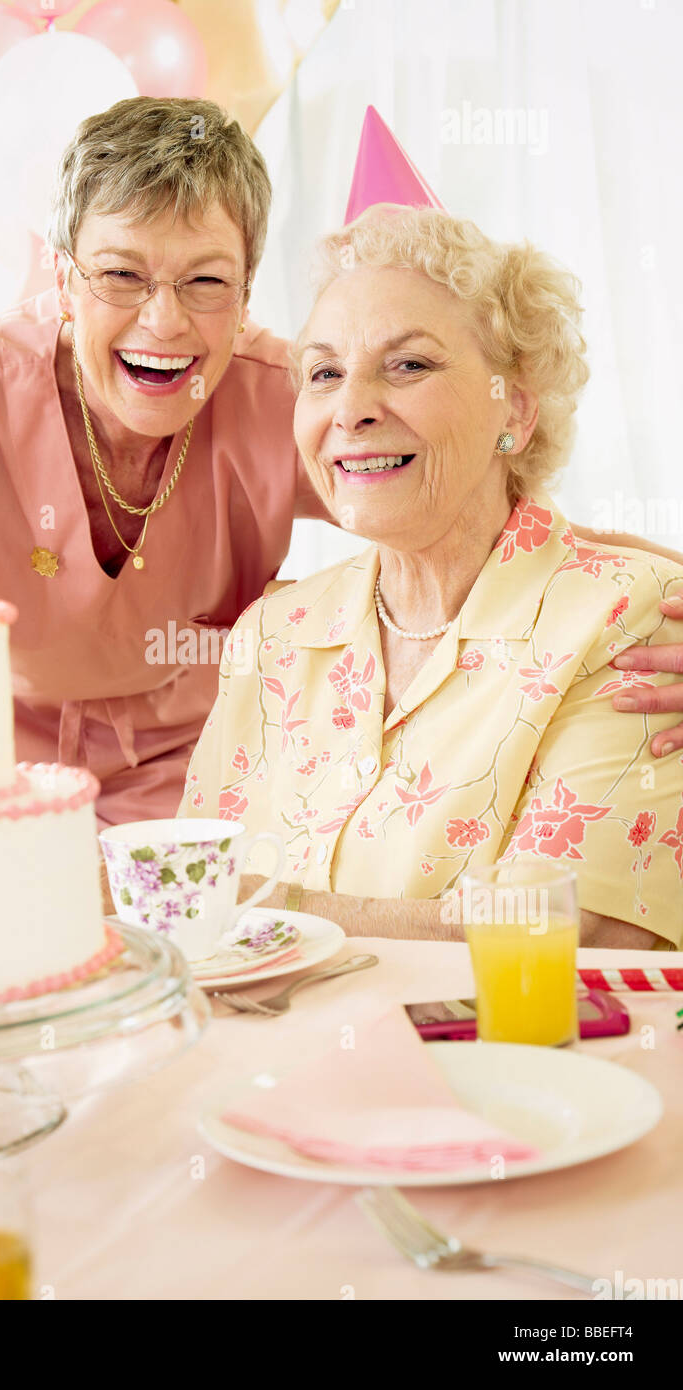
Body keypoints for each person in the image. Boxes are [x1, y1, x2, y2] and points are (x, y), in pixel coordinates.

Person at [0, 97, 683, 827]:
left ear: (249, 291)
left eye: (205, 282)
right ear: (63, 280)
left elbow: (469, 508)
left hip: (202, 781)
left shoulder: (296, 397)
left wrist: (637, 601)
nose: (164, 321)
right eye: (120, 276)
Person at [178, 205, 683, 949]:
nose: (350, 409)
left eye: (408, 364)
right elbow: (191, 924)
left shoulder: (627, 615)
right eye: (324, 373)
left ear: (514, 406)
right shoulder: (274, 634)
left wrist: (262, 907)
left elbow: (573, 937)